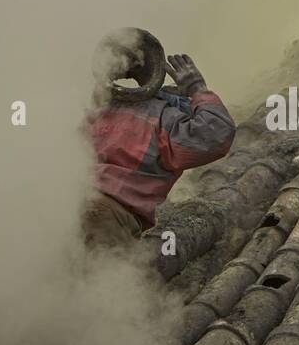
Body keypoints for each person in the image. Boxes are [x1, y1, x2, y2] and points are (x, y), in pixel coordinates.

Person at [81, 28, 236, 249]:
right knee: (96, 280)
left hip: (69, 207)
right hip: (107, 217)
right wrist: (198, 89)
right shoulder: (163, 117)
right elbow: (217, 134)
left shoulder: (94, 113)